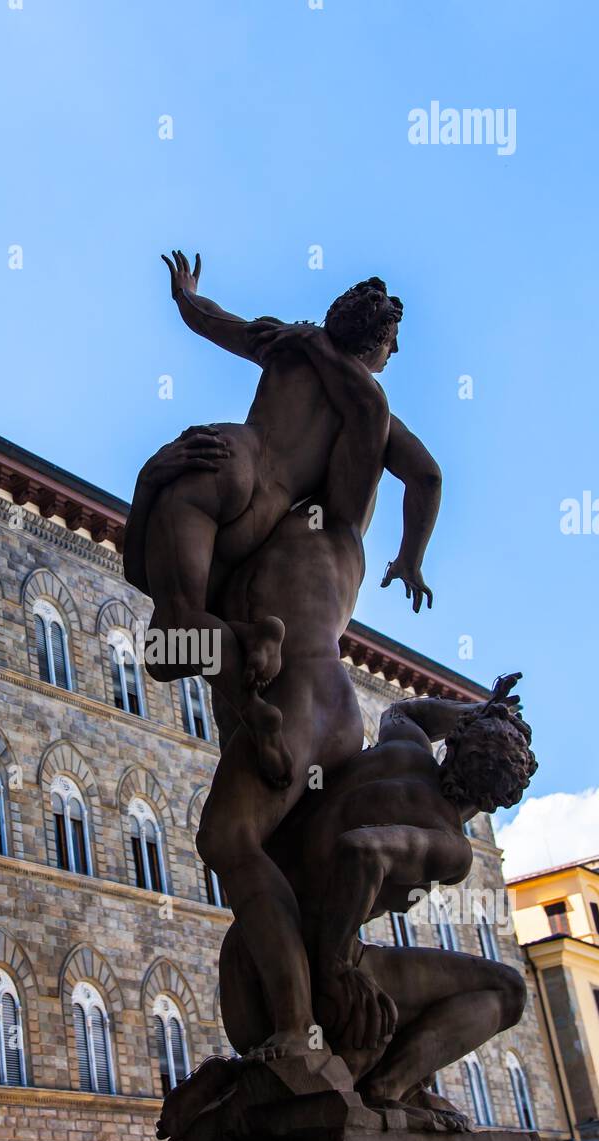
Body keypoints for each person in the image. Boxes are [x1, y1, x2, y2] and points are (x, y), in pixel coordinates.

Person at [123, 253, 440, 786]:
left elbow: (215, 322)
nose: (397, 350)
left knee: (168, 640)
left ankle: (249, 644)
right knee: (169, 642)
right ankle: (253, 656)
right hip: (266, 512)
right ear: (374, 342)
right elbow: (427, 478)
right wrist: (411, 559)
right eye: (393, 341)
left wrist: (185, 295)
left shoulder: (289, 346)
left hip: (225, 455)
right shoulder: (370, 410)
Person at [219, 675, 537, 1128]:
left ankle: (405, 1085)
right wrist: (335, 965)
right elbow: (362, 851)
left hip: (249, 961)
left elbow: (405, 710)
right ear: (495, 801)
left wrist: (481, 713)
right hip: (313, 980)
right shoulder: (449, 845)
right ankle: (387, 1090)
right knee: (509, 989)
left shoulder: (404, 747)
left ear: (459, 741)